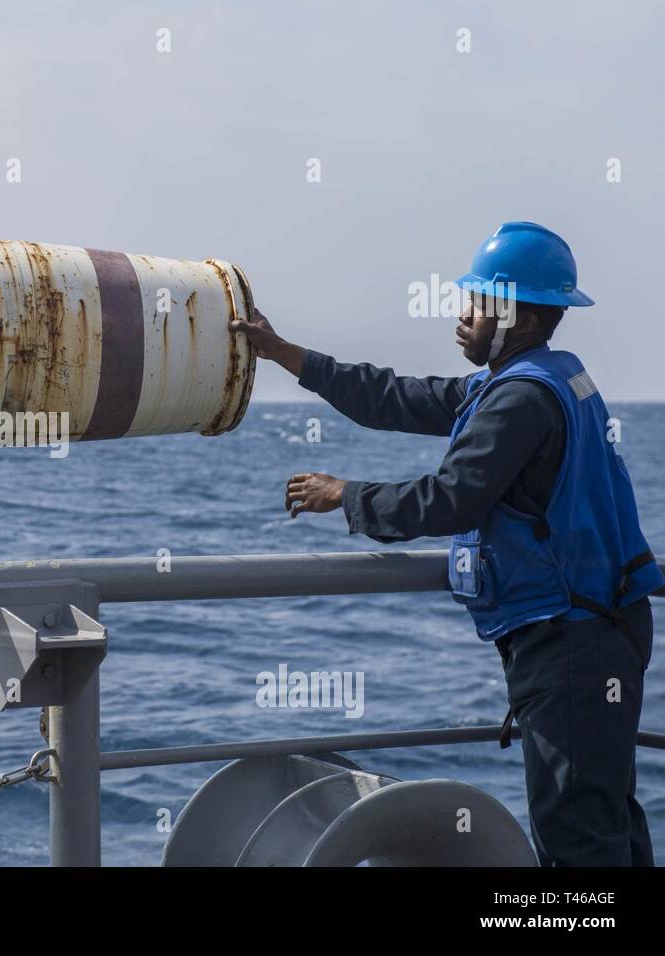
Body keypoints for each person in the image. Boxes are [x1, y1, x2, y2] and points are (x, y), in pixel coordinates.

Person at [233, 221, 661, 866]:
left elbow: (450, 499)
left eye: (476, 302)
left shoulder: (519, 400)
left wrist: (344, 496)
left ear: (512, 315)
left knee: (577, 839)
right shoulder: (548, 377)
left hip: (571, 641)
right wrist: (285, 352)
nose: (460, 315)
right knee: (604, 822)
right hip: (600, 628)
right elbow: (397, 399)